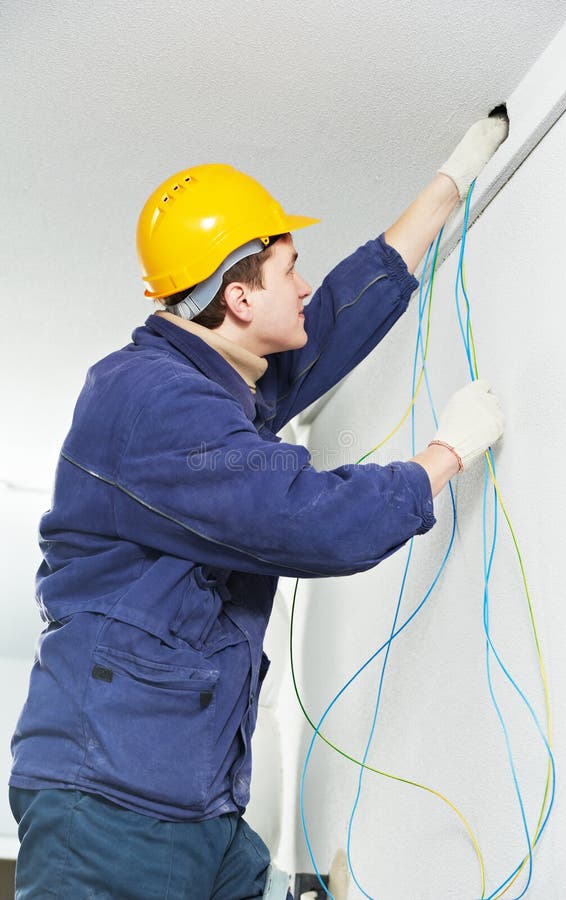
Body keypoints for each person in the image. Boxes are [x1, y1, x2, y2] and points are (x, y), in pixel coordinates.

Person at [9, 111, 508, 900]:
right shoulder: (151, 402)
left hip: (187, 803)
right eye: (288, 270)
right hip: (111, 797)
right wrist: (441, 457)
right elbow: (307, 518)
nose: (303, 285)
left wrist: (444, 190)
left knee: (254, 878)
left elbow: (328, 324)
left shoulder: (213, 387)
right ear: (239, 298)